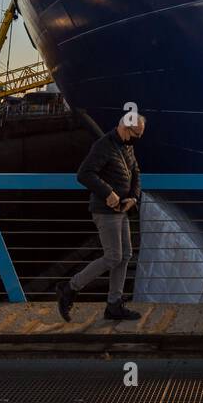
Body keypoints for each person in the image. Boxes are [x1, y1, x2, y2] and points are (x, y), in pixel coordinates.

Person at [57, 114, 145, 322]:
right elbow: (84, 174)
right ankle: (70, 287)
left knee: (125, 255)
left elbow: (136, 172)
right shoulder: (103, 146)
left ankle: (114, 305)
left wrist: (133, 196)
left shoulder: (126, 145)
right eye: (137, 134)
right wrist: (108, 193)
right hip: (105, 211)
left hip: (121, 210)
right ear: (125, 128)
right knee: (113, 256)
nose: (138, 139)